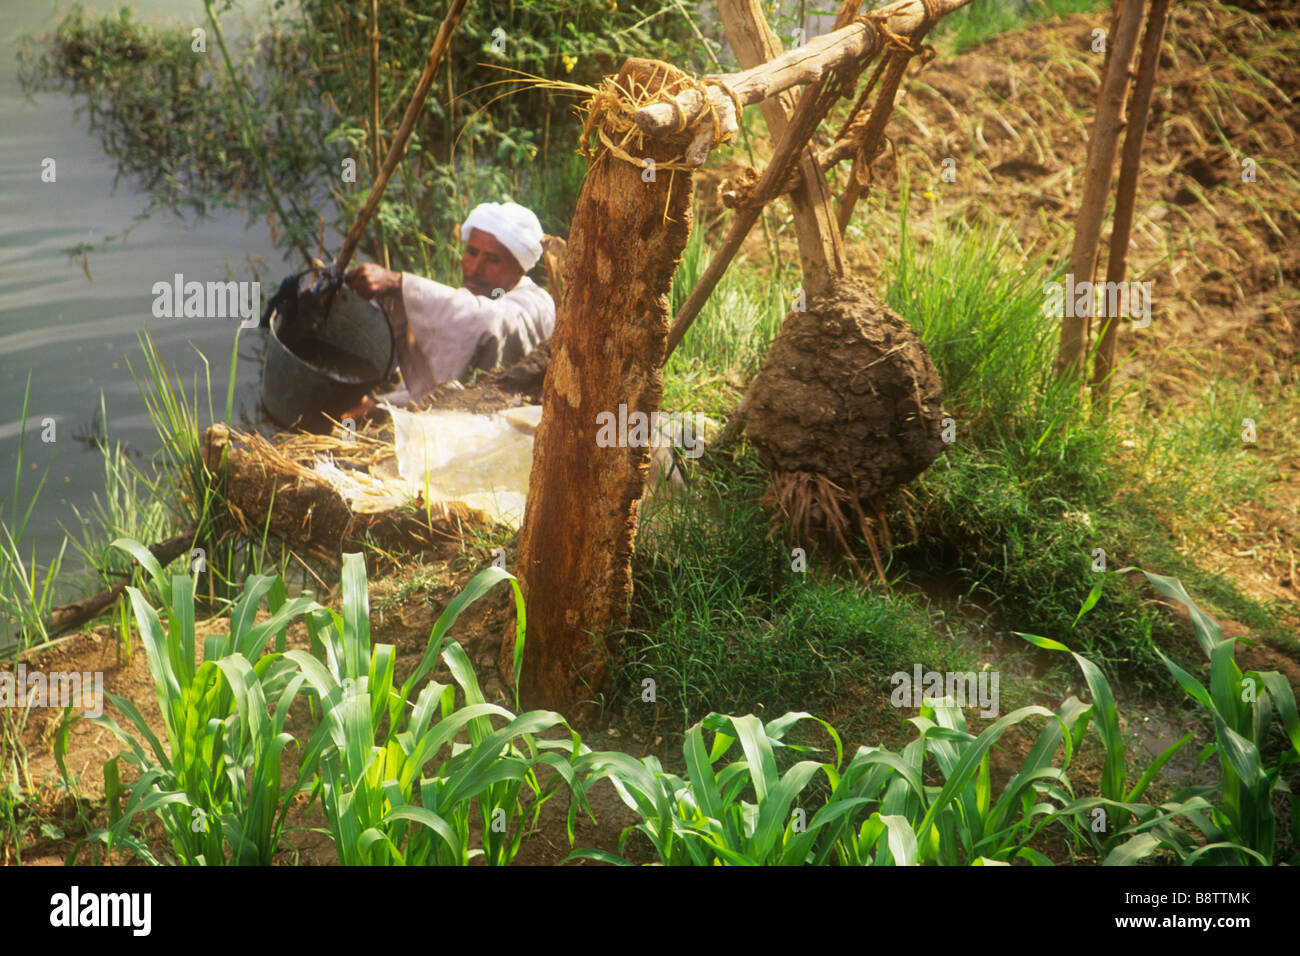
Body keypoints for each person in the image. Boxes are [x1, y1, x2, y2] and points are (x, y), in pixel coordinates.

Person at [341, 201, 555, 421]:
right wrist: (378, 405)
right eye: (472, 253)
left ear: (518, 269)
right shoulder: (484, 297)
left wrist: (398, 283)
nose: (474, 269)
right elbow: (434, 392)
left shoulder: (536, 303)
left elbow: (491, 320)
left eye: (493, 260)